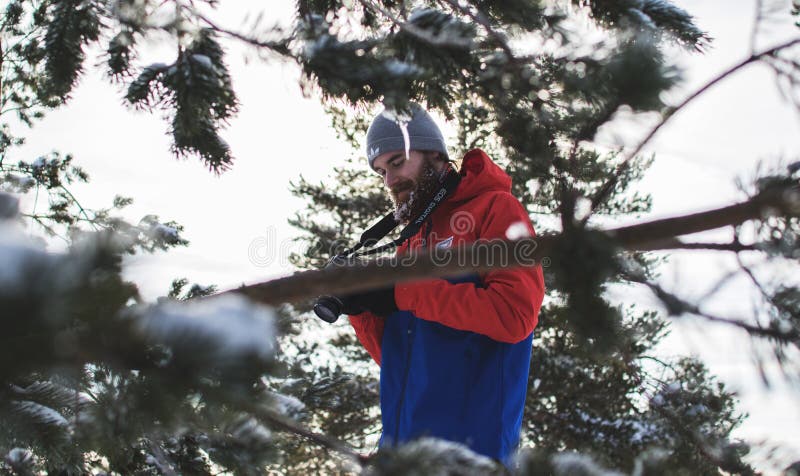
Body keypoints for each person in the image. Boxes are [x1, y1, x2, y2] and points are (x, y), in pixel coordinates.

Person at [342, 105, 545, 465]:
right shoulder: (411, 239)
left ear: (434, 153)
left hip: (471, 457)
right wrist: (361, 309)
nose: (390, 180)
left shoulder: (496, 209)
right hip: (401, 458)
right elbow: (402, 360)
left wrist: (402, 293)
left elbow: (515, 314)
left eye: (397, 161)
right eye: (381, 171)